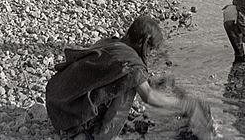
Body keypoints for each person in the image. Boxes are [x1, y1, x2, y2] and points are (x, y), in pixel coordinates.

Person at [46, 15, 213, 140]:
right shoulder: (131, 64)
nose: (151, 54)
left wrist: (153, 82)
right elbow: (148, 97)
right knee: (129, 86)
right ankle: (98, 135)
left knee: (132, 80)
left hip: (57, 102)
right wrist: (185, 104)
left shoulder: (112, 43)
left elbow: (105, 76)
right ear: (145, 42)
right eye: (151, 49)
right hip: (70, 119)